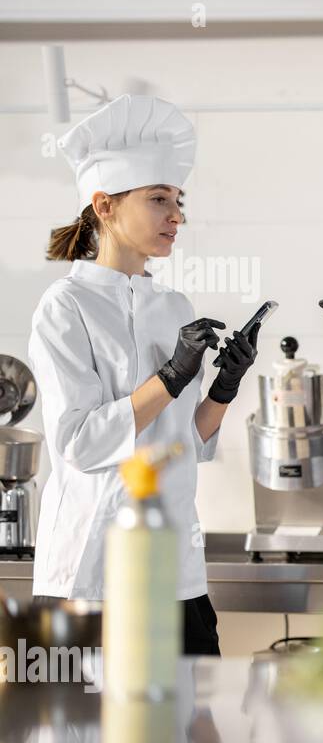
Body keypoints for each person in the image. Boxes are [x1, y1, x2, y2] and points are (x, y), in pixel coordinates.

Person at [29, 94, 258, 655]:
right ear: (104, 205)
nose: (176, 215)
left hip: (178, 576)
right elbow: (79, 443)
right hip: (94, 578)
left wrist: (224, 387)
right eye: (159, 199)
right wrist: (171, 379)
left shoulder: (174, 306)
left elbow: (187, 443)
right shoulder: (65, 306)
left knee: (189, 735)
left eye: (178, 200)